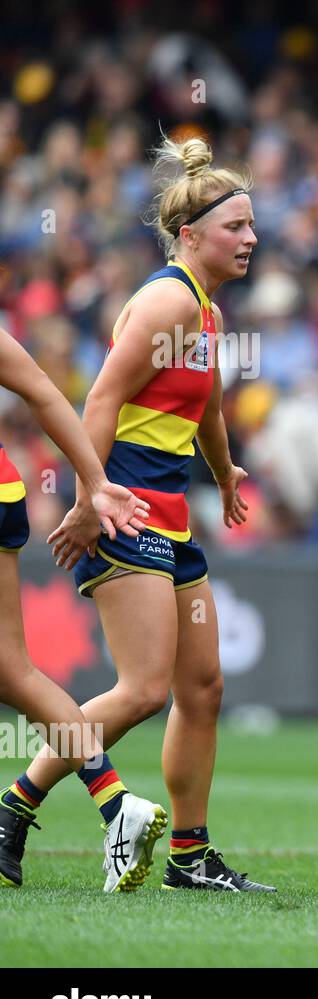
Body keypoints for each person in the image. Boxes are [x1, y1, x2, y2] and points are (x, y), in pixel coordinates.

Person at [26, 135, 274, 893]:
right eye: (236, 227)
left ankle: (191, 858)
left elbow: (204, 400)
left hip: (169, 510)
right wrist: (86, 498)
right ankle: (13, 808)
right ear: (190, 236)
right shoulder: (169, 299)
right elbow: (99, 399)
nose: (252, 239)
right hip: (128, 501)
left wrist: (224, 467)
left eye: (252, 226)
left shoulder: (204, 313)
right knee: (141, 690)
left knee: (203, 688)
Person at [0, 326, 164, 893]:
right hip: (4, 488)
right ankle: (116, 806)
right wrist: (94, 483)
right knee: (12, 671)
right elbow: (44, 391)